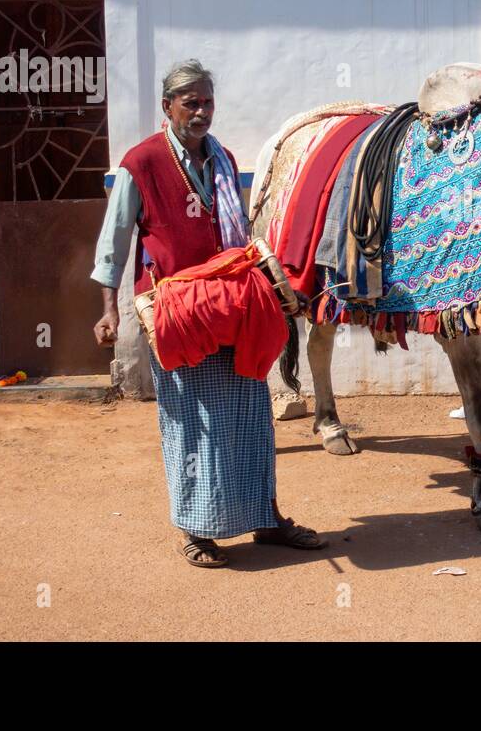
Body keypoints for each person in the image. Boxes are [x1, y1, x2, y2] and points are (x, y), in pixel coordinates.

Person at [91, 59, 326, 568]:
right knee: (191, 422)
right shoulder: (142, 163)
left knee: (249, 415)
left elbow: (238, 235)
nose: (201, 112)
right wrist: (109, 311)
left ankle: (265, 518)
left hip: (233, 306)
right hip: (177, 314)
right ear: (167, 107)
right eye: (190, 102)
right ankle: (197, 529)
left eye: (207, 102)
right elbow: (114, 243)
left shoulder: (222, 158)